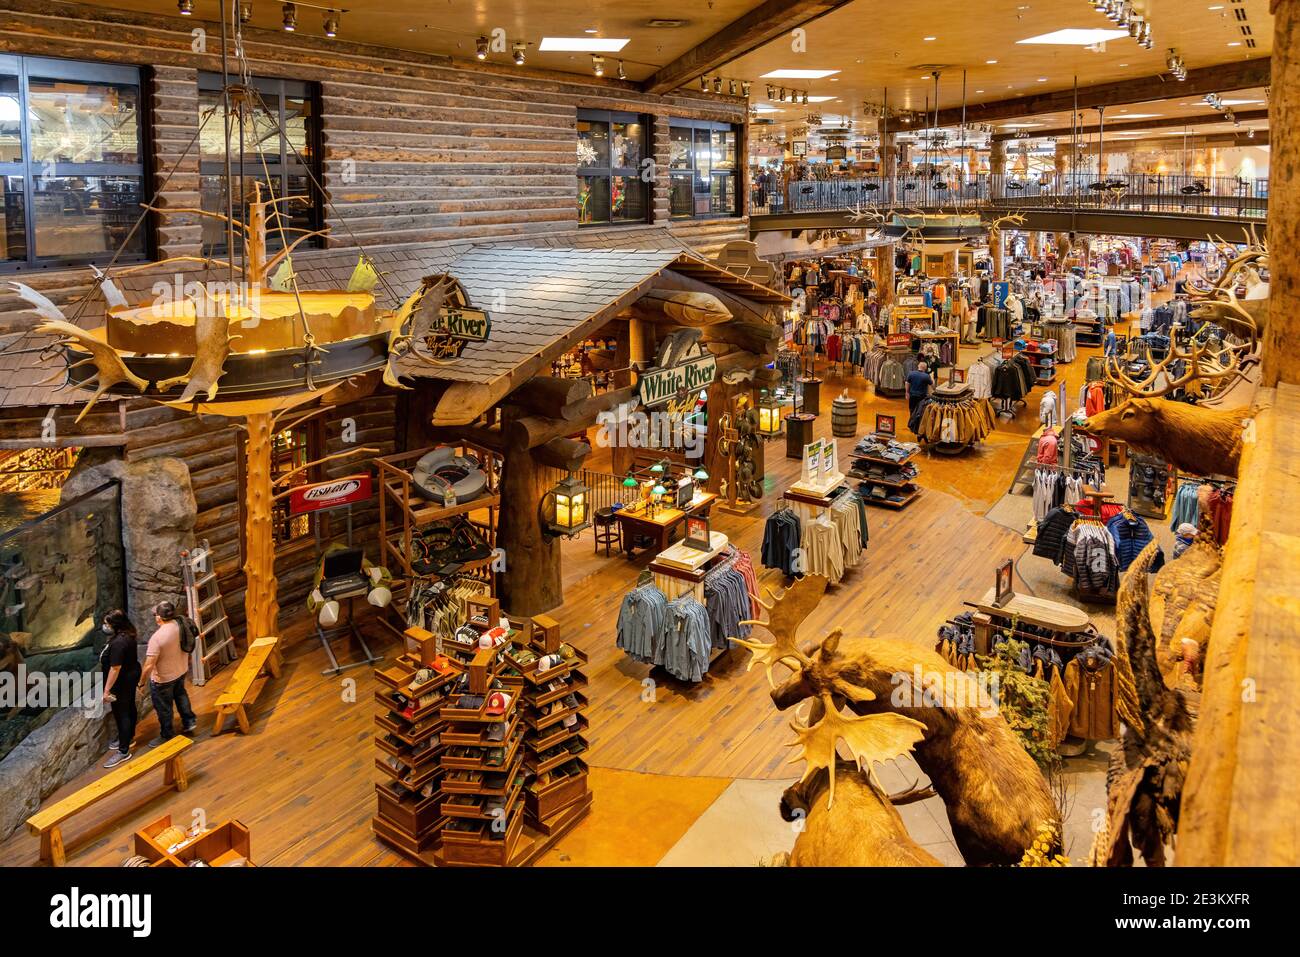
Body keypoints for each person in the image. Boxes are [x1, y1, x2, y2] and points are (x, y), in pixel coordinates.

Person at [140, 600, 196, 743]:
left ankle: (167, 734)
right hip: (181, 670)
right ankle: (189, 721)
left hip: (163, 679)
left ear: (159, 617)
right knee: (181, 695)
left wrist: (141, 683)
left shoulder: (157, 638)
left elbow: (149, 665)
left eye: (155, 614)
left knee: (164, 708)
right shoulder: (181, 623)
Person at [100, 609, 141, 768]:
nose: (105, 626)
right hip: (130, 675)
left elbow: (115, 668)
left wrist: (107, 690)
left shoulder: (119, 643)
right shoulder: (129, 633)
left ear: (115, 624)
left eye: (107, 623)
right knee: (129, 707)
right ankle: (128, 737)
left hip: (122, 681)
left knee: (122, 713)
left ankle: (123, 751)